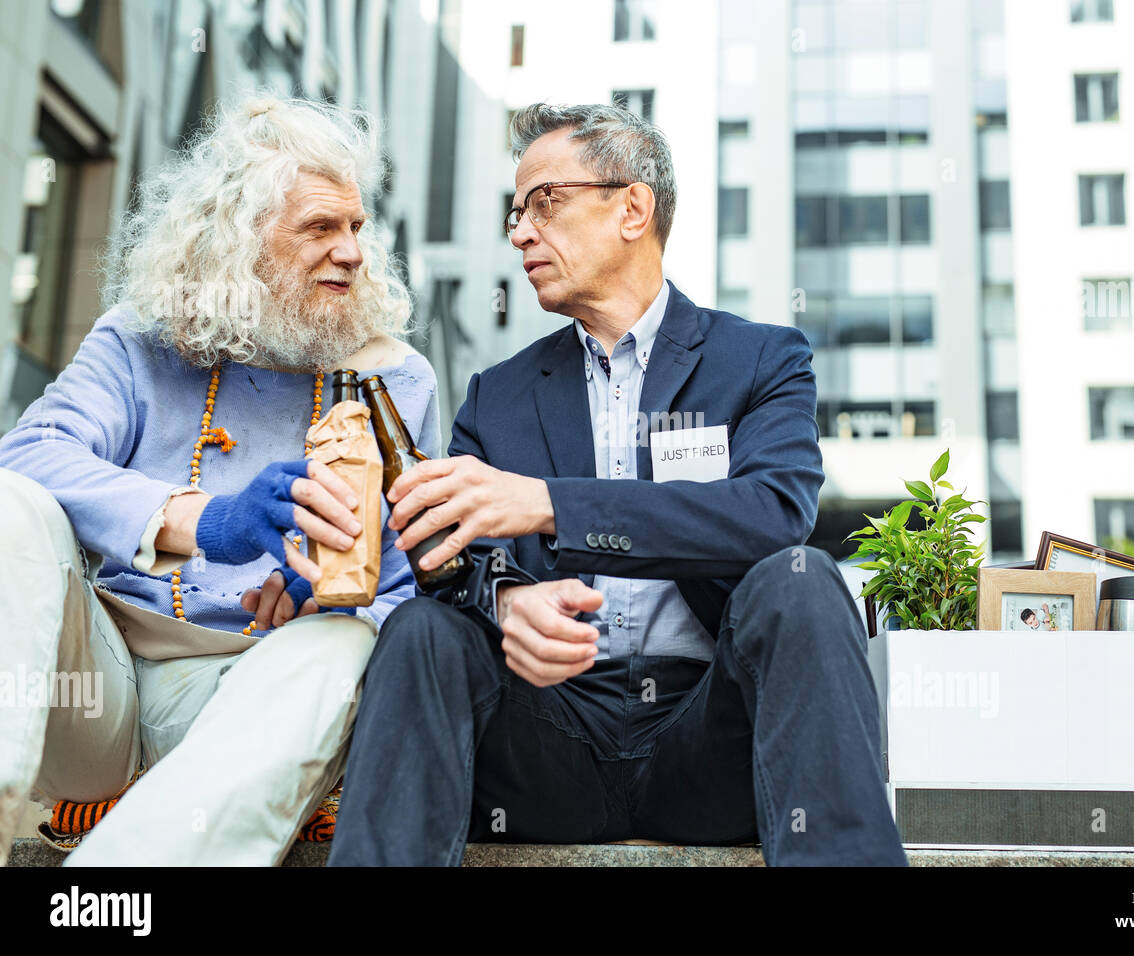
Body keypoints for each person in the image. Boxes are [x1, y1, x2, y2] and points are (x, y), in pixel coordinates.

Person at [328, 103, 906, 866]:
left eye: (545, 203)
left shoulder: (761, 361)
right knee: (423, 631)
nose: (520, 231)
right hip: (544, 742)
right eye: (515, 211)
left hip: (710, 738)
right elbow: (446, 572)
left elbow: (771, 517)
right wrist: (505, 601)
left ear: (633, 207)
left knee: (802, 579)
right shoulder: (497, 395)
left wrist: (550, 504)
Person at [0, 93, 439, 866]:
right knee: (12, 511)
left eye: (356, 227)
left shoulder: (397, 379)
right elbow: (26, 454)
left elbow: (421, 586)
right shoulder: (140, 339)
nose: (352, 252)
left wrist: (338, 598)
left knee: (341, 642)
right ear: (238, 241)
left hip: (271, 702)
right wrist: (203, 519)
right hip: (105, 698)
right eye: (319, 228)